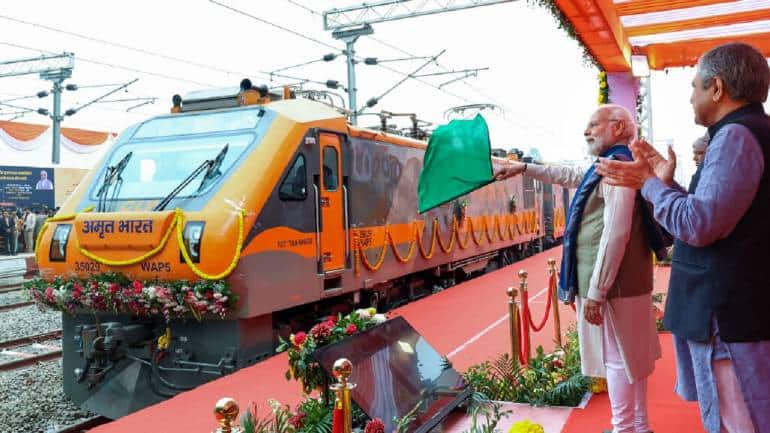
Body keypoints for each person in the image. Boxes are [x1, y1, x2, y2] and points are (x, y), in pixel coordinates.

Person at [595, 42, 770, 433]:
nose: (691, 97)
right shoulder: (748, 133)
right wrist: (664, 184)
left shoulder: (735, 136)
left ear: (717, 88)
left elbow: (699, 224)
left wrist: (648, 184)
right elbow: (716, 216)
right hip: (739, 311)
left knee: (741, 422)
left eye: (694, 86)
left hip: (729, 316)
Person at [496, 104, 661, 433]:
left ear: (617, 126)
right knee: (633, 358)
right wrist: (523, 168)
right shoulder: (618, 162)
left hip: (613, 285)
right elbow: (570, 175)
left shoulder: (617, 166)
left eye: (594, 125)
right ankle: (639, 427)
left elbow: (616, 231)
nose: (586, 131)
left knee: (617, 358)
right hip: (627, 281)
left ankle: (624, 428)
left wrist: (598, 291)